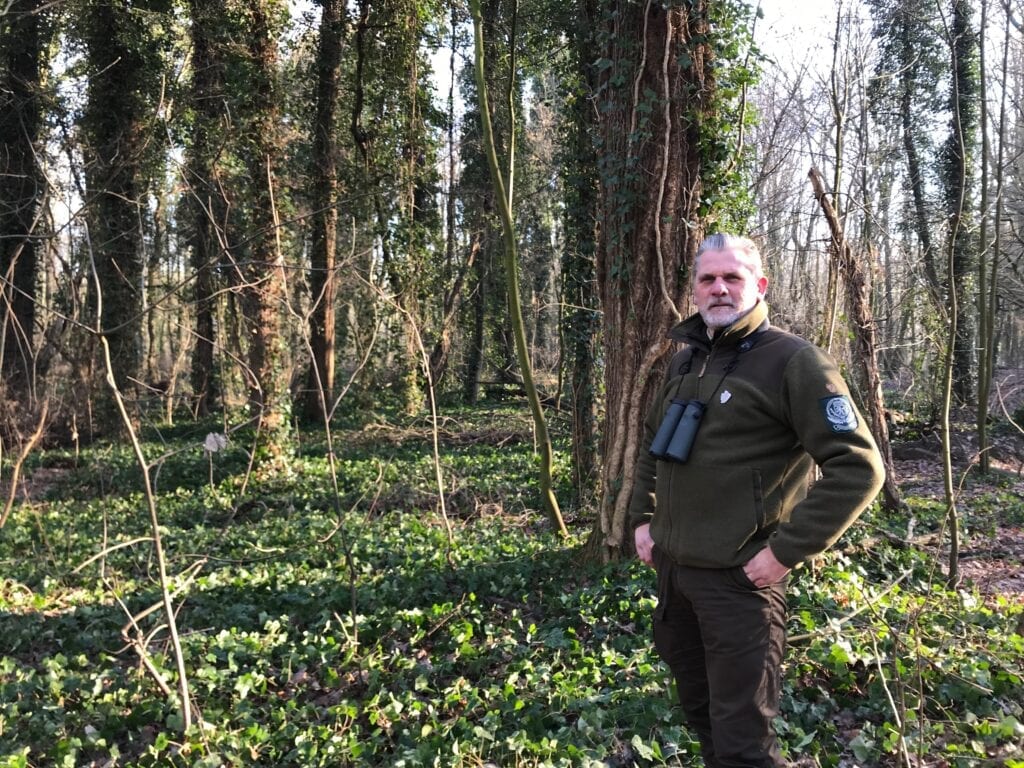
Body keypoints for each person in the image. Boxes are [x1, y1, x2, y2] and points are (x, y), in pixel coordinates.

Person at [629, 233, 885, 768]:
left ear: (759, 285)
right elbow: (653, 448)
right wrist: (643, 519)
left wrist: (785, 551)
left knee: (744, 741)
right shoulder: (684, 362)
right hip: (675, 576)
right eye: (708, 279)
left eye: (732, 278)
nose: (719, 289)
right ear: (694, 291)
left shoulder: (794, 362)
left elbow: (858, 467)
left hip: (740, 586)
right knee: (701, 717)